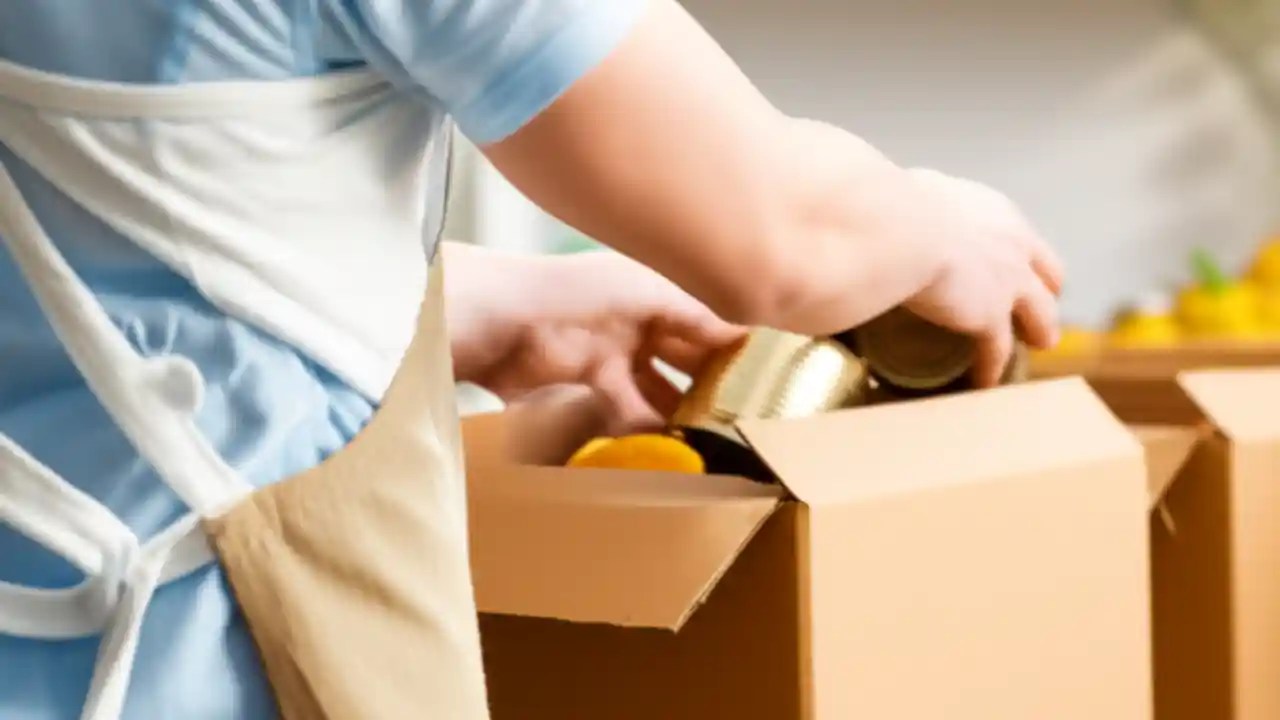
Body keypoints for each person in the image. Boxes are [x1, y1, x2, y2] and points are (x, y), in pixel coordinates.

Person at [0, 0, 1062, 718]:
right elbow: (784, 236)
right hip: (199, 670)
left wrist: (499, 306)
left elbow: (115, 247)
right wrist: (940, 229)